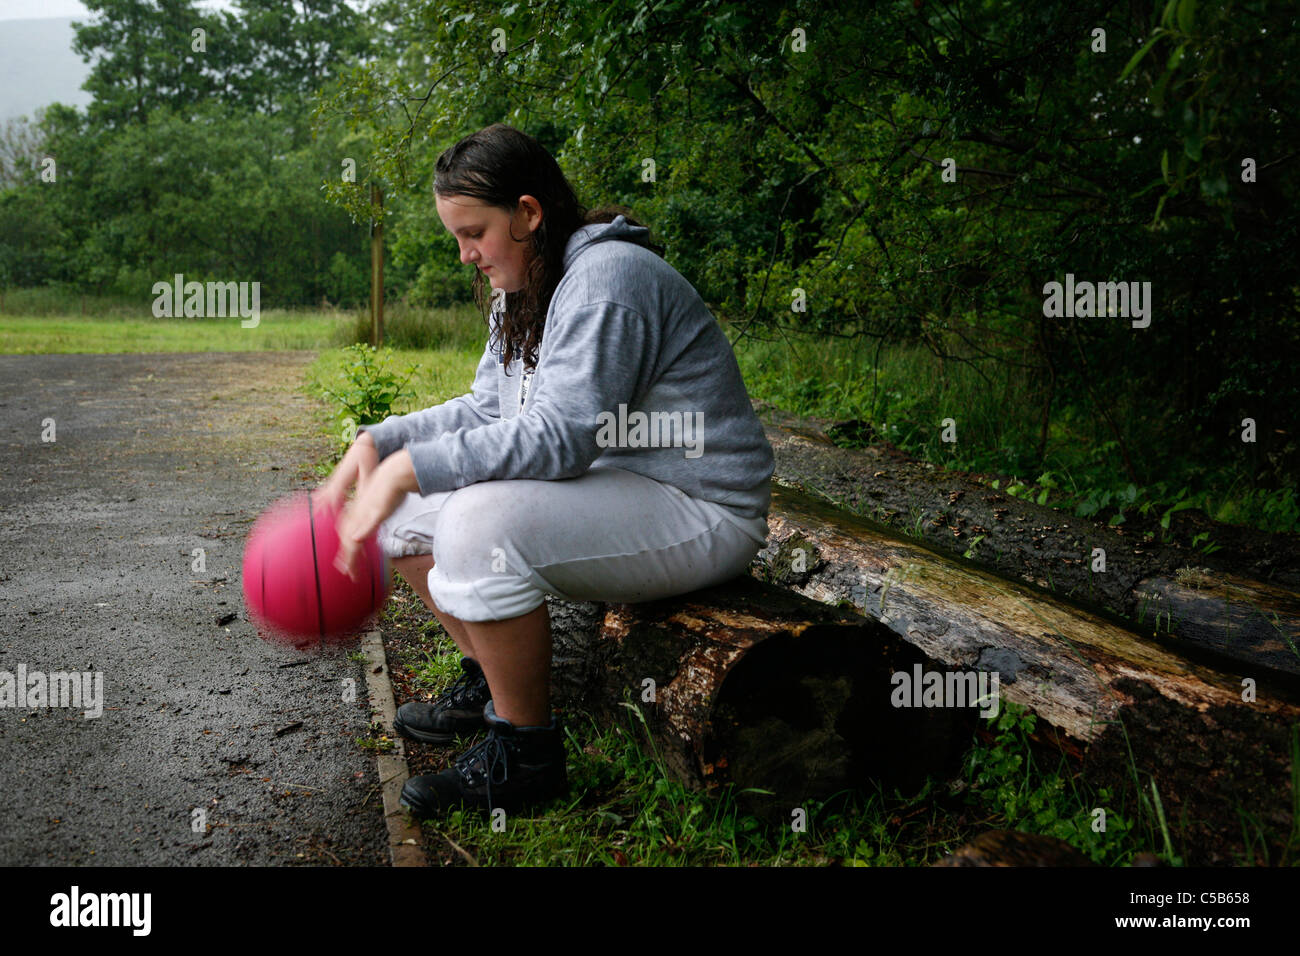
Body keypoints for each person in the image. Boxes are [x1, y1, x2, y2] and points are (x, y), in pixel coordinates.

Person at [313, 123, 774, 816]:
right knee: (406, 520)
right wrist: (379, 442)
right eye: (457, 238)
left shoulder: (607, 281)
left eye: (475, 233)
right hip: (625, 485)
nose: (467, 255)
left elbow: (561, 439)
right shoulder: (527, 285)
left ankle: (525, 755)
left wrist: (412, 467)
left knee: (474, 520)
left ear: (529, 213)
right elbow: (487, 409)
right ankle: (493, 682)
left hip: (702, 504)